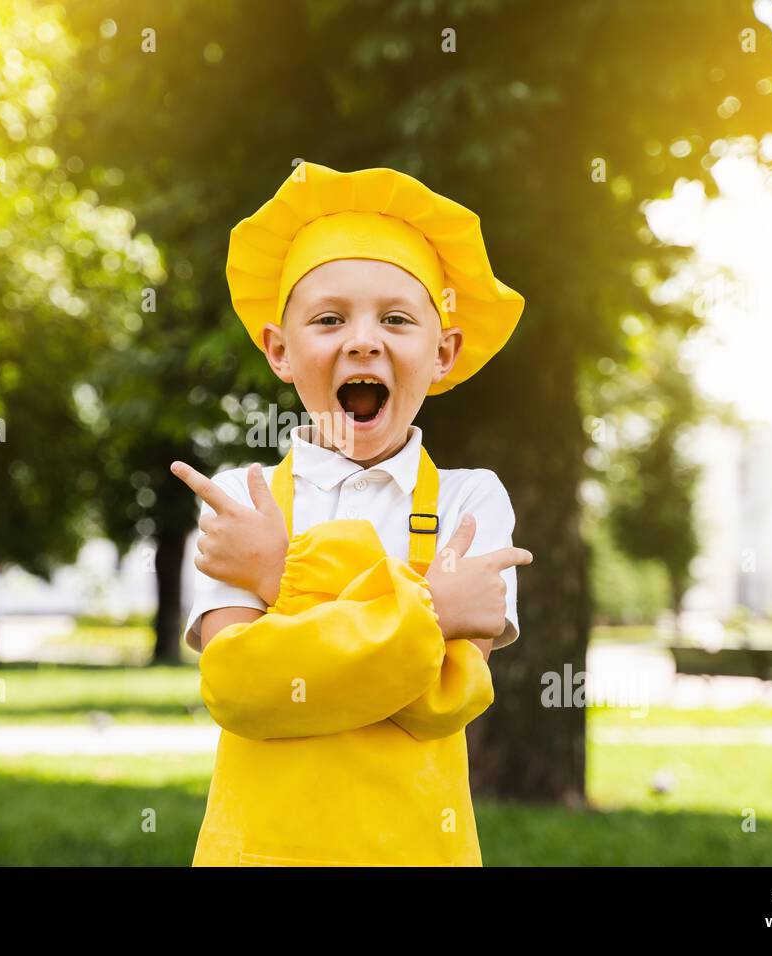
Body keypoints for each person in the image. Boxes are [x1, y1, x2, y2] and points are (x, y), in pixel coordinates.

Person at [171, 162, 533, 866]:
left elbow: (444, 700)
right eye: (330, 319)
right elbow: (242, 687)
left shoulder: (471, 501)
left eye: (397, 319)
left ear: (443, 352)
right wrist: (428, 612)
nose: (363, 340)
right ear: (280, 350)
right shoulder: (238, 499)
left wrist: (281, 577)